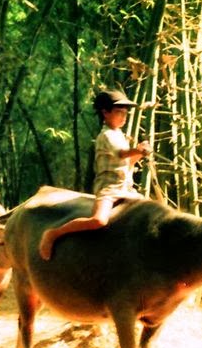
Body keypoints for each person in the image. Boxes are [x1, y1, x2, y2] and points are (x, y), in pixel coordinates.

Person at [39, 88, 151, 259]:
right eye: (119, 112)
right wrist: (137, 149)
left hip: (126, 188)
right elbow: (121, 153)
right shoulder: (106, 135)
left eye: (125, 113)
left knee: (149, 210)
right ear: (105, 113)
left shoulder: (120, 135)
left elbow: (127, 161)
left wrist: (140, 153)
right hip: (109, 189)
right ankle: (54, 233)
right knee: (99, 220)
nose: (124, 116)